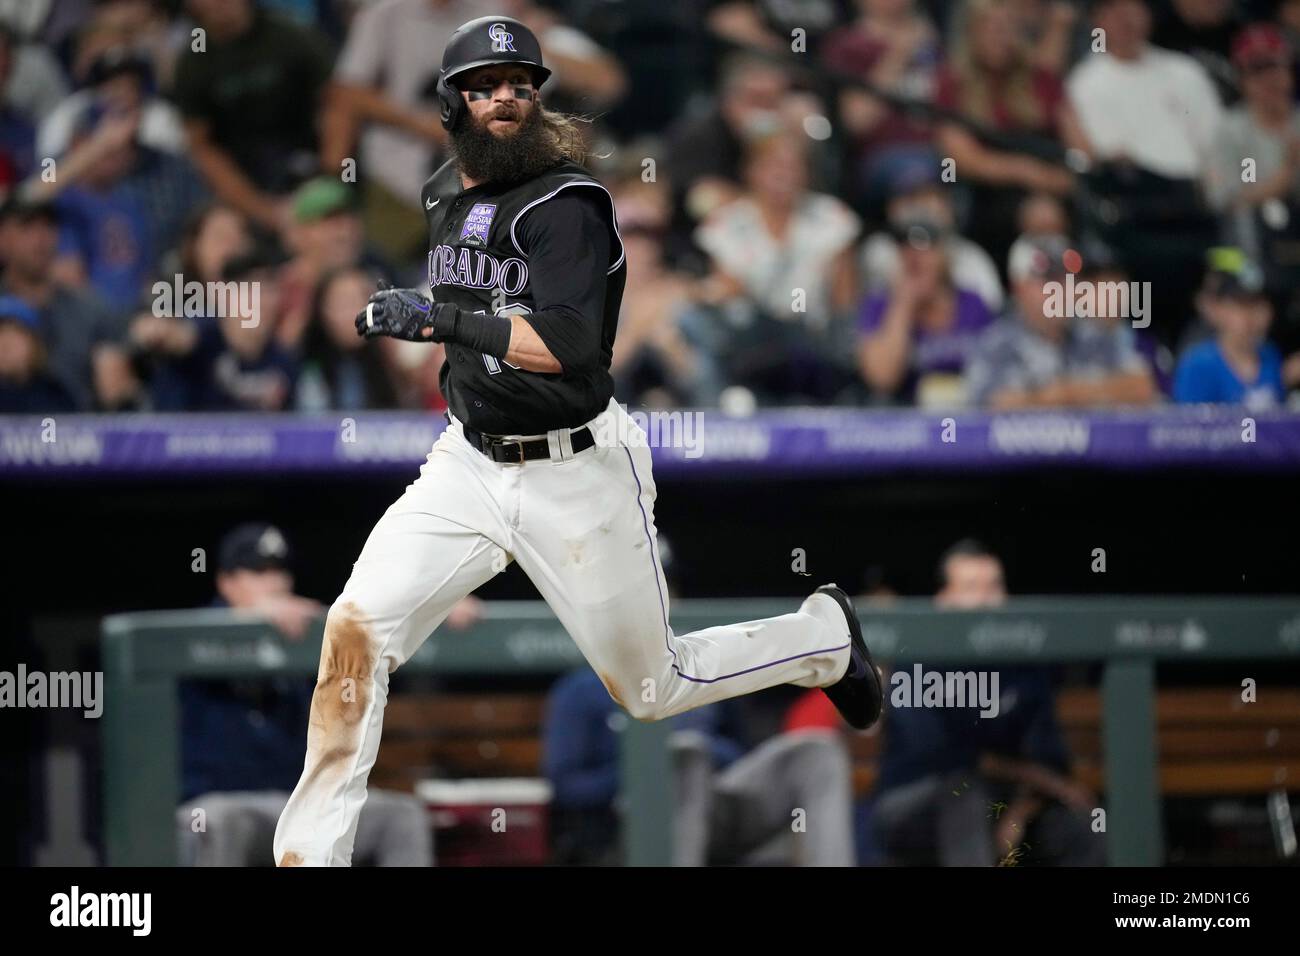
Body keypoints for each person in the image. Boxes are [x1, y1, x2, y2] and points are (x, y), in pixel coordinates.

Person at [272, 15, 884, 868]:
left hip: (576, 469)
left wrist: (439, 319)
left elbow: (564, 344)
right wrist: (425, 323)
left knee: (652, 688)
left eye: (520, 85)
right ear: (451, 104)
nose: (505, 98)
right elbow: (477, 306)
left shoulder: (570, 206)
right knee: (355, 630)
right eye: (485, 87)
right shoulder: (444, 192)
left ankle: (821, 638)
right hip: (468, 462)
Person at [177, 523, 433, 867]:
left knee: (401, 816)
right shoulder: (196, 633)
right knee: (216, 821)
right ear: (227, 582)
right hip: (226, 803)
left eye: (279, 572)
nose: (274, 584)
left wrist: (436, 609)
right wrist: (247, 621)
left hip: (300, 804)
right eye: (258, 573)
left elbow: (377, 642)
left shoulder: (304, 632)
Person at [871, 540, 1106, 866]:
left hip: (1005, 798)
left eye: (994, 586)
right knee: (964, 794)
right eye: (971, 587)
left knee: (1082, 823)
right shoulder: (918, 661)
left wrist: (1019, 812)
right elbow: (952, 760)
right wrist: (1033, 779)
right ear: (944, 600)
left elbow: (1049, 759)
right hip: (913, 803)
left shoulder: (1022, 666)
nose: (985, 599)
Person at [964, 235, 1158, 408]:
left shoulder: (1094, 334)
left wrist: (1072, 393)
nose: (1062, 289)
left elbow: (1143, 386)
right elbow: (991, 406)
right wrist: (1046, 399)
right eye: (1050, 279)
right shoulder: (995, 344)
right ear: (1019, 287)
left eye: (1069, 278)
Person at [856, 218, 996, 406]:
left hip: (969, 411)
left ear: (944, 254)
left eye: (925, 247)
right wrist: (903, 305)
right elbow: (882, 379)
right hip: (906, 415)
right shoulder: (880, 305)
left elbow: (996, 375)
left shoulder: (972, 303)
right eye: (905, 247)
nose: (915, 257)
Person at [1172, 253, 1290, 408]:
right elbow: (1187, 421)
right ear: (1219, 310)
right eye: (1240, 306)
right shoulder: (1199, 364)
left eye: (1257, 305)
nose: (1251, 317)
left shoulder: (1270, 355)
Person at [0, 294, 76, 413]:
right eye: (1, 334)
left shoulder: (55, 395)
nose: (6, 344)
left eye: (15, 334)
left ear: (35, 344)